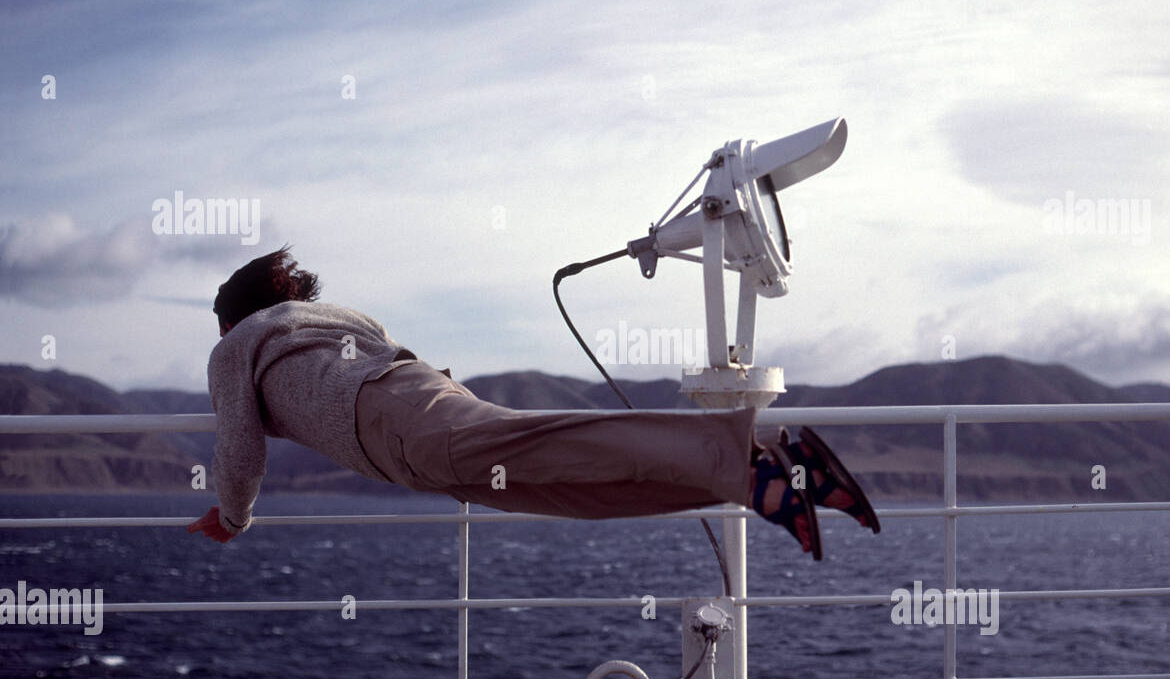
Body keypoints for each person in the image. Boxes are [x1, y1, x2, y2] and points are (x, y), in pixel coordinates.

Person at [187, 247, 879, 557]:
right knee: (575, 488)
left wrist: (233, 516)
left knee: (562, 450)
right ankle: (764, 485)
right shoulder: (323, 318)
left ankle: (754, 452)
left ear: (231, 317)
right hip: (412, 419)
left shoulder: (235, 344)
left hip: (399, 423)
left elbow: (239, 447)